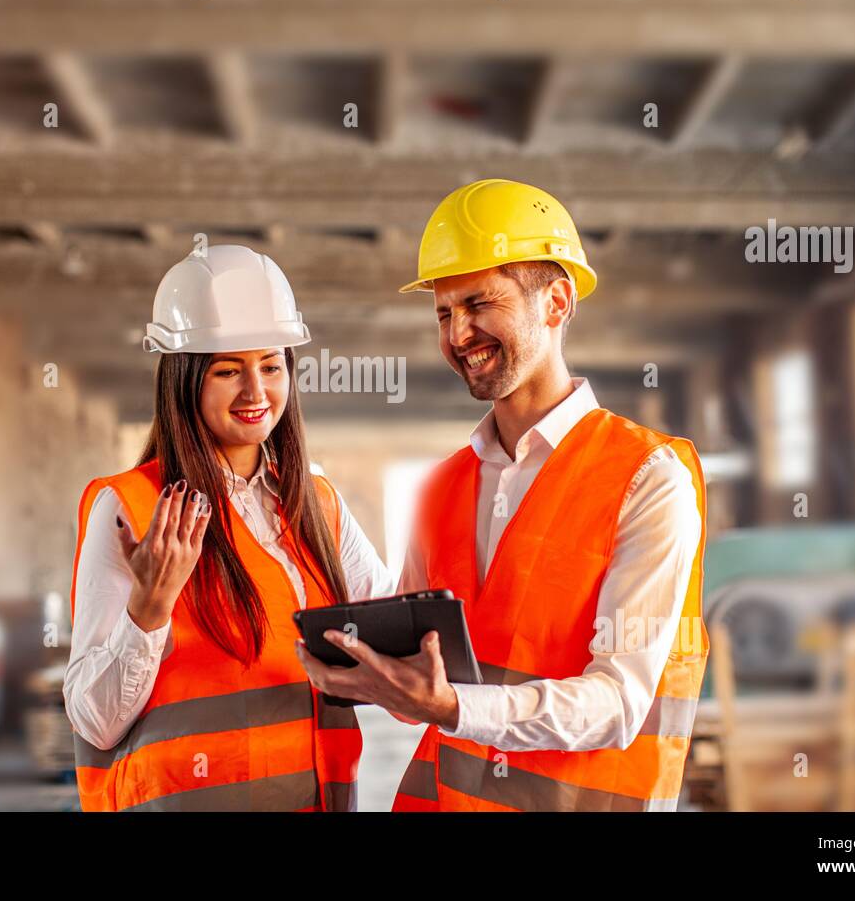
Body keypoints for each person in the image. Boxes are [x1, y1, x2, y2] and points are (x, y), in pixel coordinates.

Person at [297, 179, 709, 811]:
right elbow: (416, 671)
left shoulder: (646, 477)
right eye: (442, 313)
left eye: (479, 304)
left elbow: (621, 702)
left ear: (556, 301)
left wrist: (454, 706)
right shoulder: (442, 486)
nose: (459, 334)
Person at [65, 244, 394, 811]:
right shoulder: (131, 508)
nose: (256, 392)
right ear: (184, 379)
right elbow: (94, 721)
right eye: (227, 370)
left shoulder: (317, 505)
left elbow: (391, 630)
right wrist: (148, 610)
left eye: (270, 365)